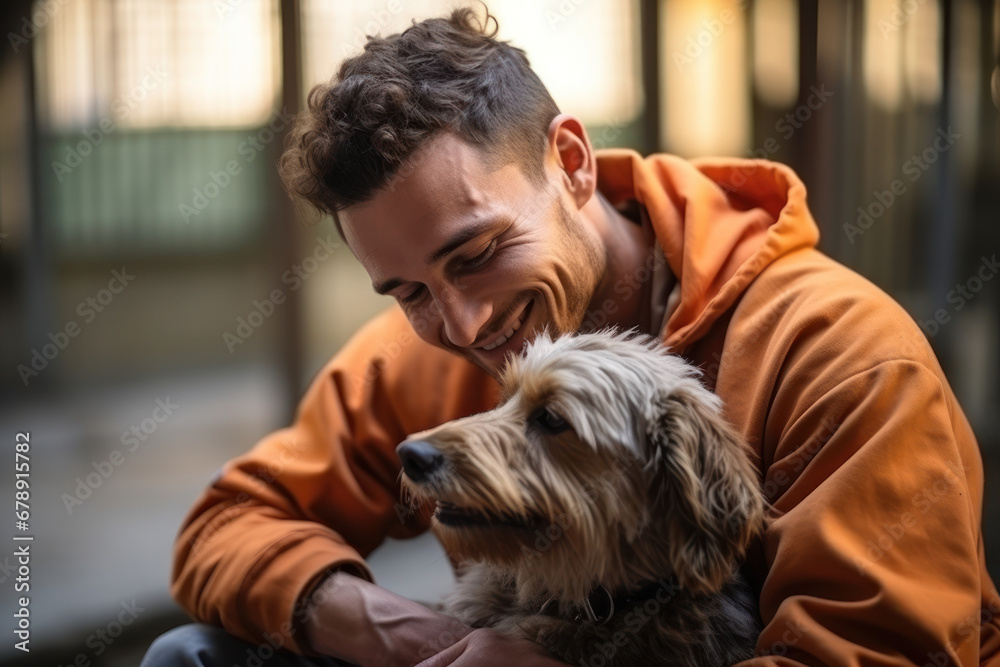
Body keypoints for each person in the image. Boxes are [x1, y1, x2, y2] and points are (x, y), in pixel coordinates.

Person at [141, 7, 1000, 667]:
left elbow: (884, 649)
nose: (466, 327)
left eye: (476, 252)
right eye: (407, 290)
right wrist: (413, 638)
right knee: (194, 654)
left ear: (573, 163)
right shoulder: (436, 340)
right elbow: (229, 524)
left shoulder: (842, 355)